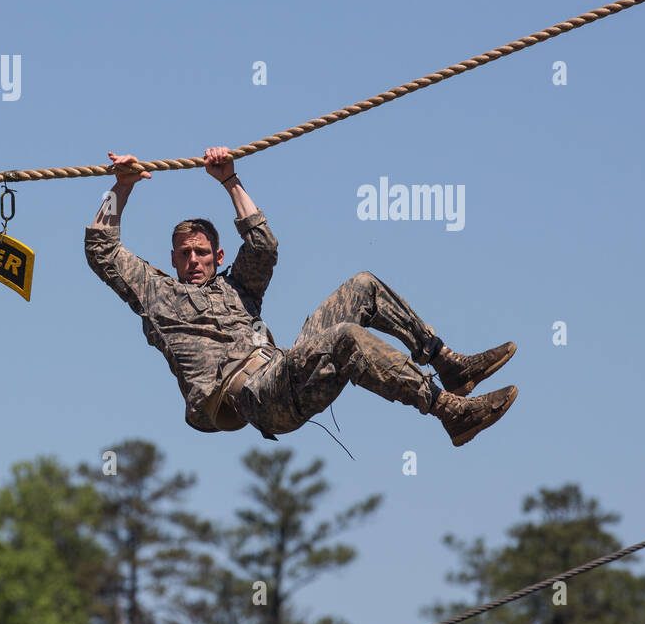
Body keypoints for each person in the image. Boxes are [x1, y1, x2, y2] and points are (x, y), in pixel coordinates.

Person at [84, 148, 518, 446]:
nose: (193, 260)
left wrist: (230, 180)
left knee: (362, 286)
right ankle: (449, 412)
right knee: (345, 337)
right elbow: (101, 252)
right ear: (173, 260)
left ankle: (448, 365)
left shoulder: (238, 289)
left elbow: (264, 246)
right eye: (185, 254)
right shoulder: (159, 295)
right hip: (256, 397)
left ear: (217, 256)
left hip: (287, 369)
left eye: (201, 252)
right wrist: (122, 186)